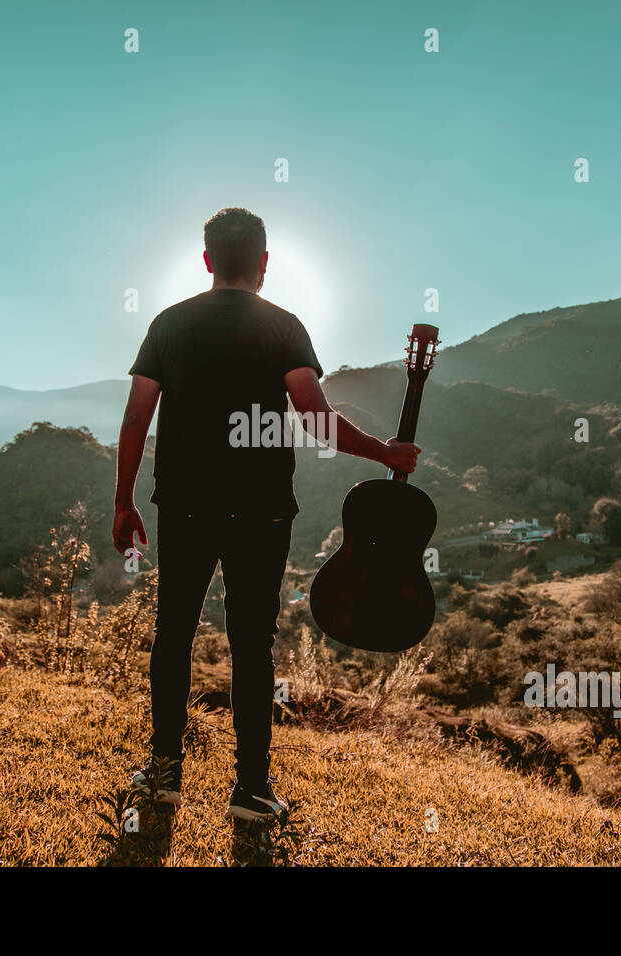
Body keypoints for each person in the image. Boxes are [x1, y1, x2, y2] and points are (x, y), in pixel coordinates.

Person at [113, 207, 419, 820]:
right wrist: (385, 452)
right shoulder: (284, 326)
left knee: (173, 635)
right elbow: (314, 415)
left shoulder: (168, 325)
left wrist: (123, 500)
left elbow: (137, 417)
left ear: (205, 261)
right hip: (262, 511)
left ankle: (165, 775)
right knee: (253, 642)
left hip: (184, 505)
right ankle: (251, 788)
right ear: (263, 264)